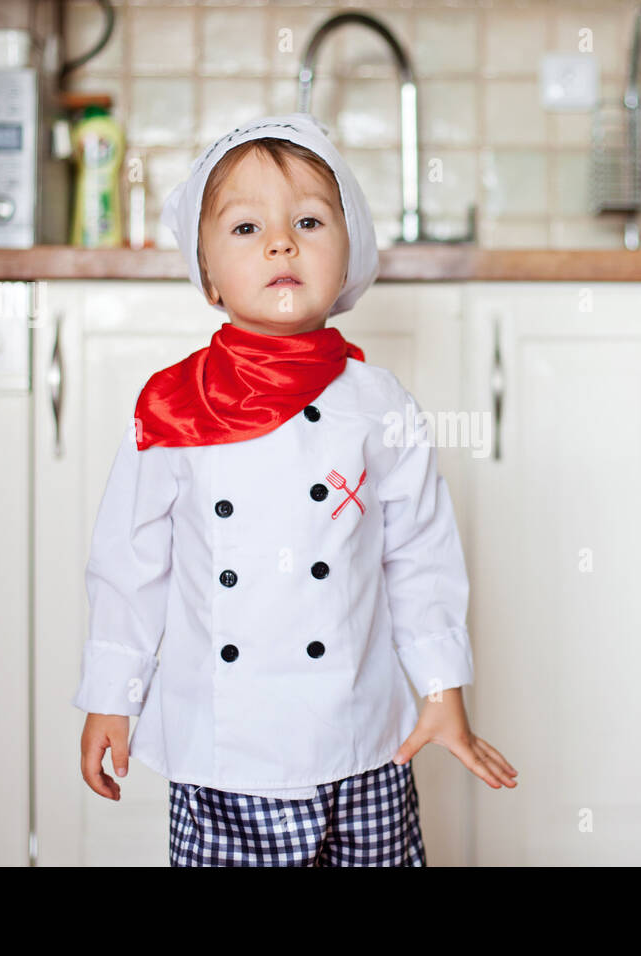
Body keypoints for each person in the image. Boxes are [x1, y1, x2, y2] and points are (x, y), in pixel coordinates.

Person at [70, 113, 516, 867]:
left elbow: (420, 556)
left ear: (349, 255)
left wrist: (443, 691)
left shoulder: (380, 404)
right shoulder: (171, 408)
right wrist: (111, 694)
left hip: (364, 746)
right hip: (224, 757)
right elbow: (129, 566)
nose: (281, 242)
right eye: (246, 227)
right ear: (207, 274)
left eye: (309, 220)